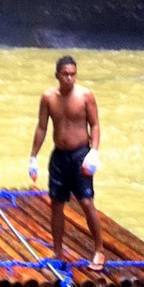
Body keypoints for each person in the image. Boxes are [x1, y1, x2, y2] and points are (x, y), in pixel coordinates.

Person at [29, 54, 105, 270]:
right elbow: (42, 127)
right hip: (59, 157)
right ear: (57, 75)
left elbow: (95, 125)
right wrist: (33, 156)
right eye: (65, 74)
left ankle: (99, 250)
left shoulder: (85, 96)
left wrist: (94, 152)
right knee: (56, 205)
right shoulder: (48, 97)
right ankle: (58, 252)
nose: (70, 78)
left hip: (81, 155)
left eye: (73, 74)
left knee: (87, 202)